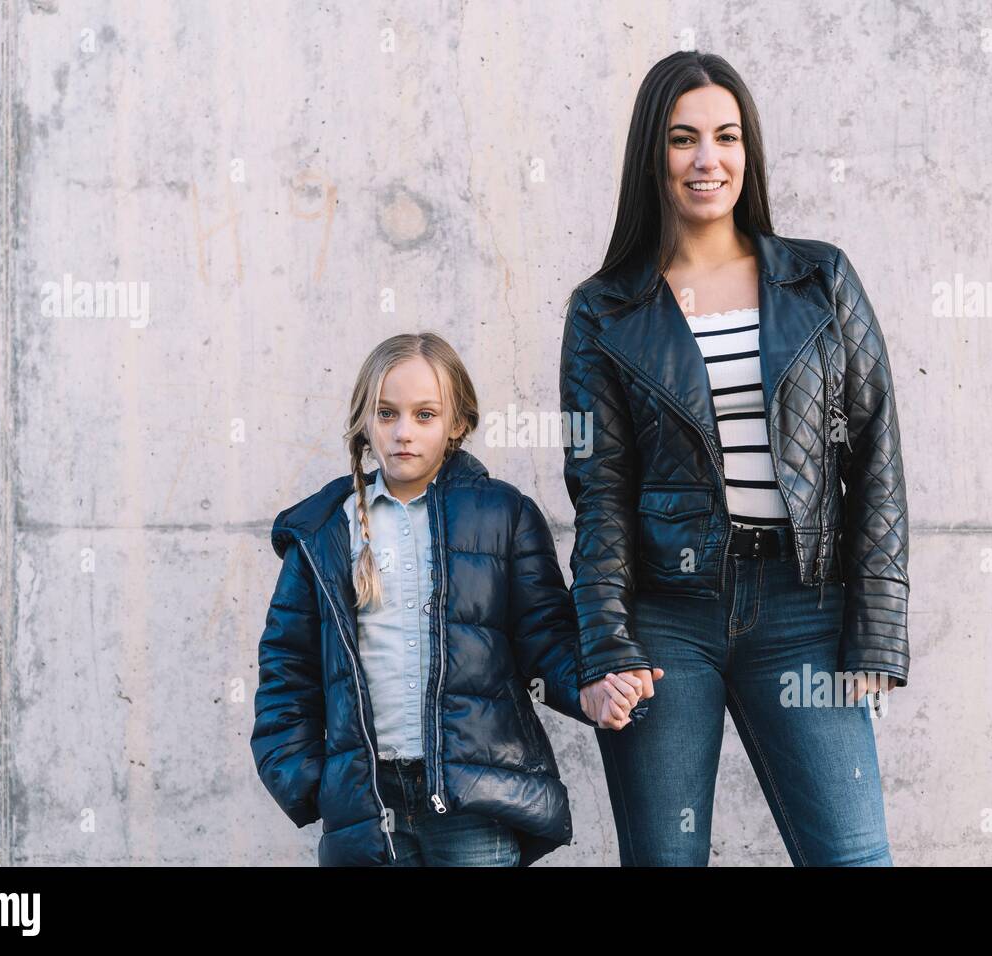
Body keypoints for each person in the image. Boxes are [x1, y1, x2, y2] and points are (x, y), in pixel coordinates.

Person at [559, 51, 911, 865]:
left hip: (803, 610)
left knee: (854, 857)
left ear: (748, 151)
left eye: (726, 136)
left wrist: (878, 626)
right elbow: (600, 491)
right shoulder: (606, 310)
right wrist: (607, 641)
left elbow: (876, 451)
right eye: (683, 139)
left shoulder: (818, 279)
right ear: (655, 153)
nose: (706, 159)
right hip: (664, 619)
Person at [251, 331, 639, 866]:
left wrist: (589, 689)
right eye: (387, 414)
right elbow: (286, 668)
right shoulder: (322, 532)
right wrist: (308, 781)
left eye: (425, 415)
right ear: (365, 420)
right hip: (366, 808)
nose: (403, 432)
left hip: (472, 801)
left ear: (457, 424)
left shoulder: (504, 516)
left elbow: (544, 640)